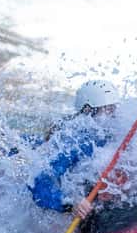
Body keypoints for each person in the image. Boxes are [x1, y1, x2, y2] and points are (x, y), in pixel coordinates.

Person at [30, 79, 123, 222]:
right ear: (88, 111)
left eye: (113, 109)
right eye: (107, 109)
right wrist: (70, 204)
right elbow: (40, 181)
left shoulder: (111, 129)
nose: (113, 115)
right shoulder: (73, 143)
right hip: (79, 204)